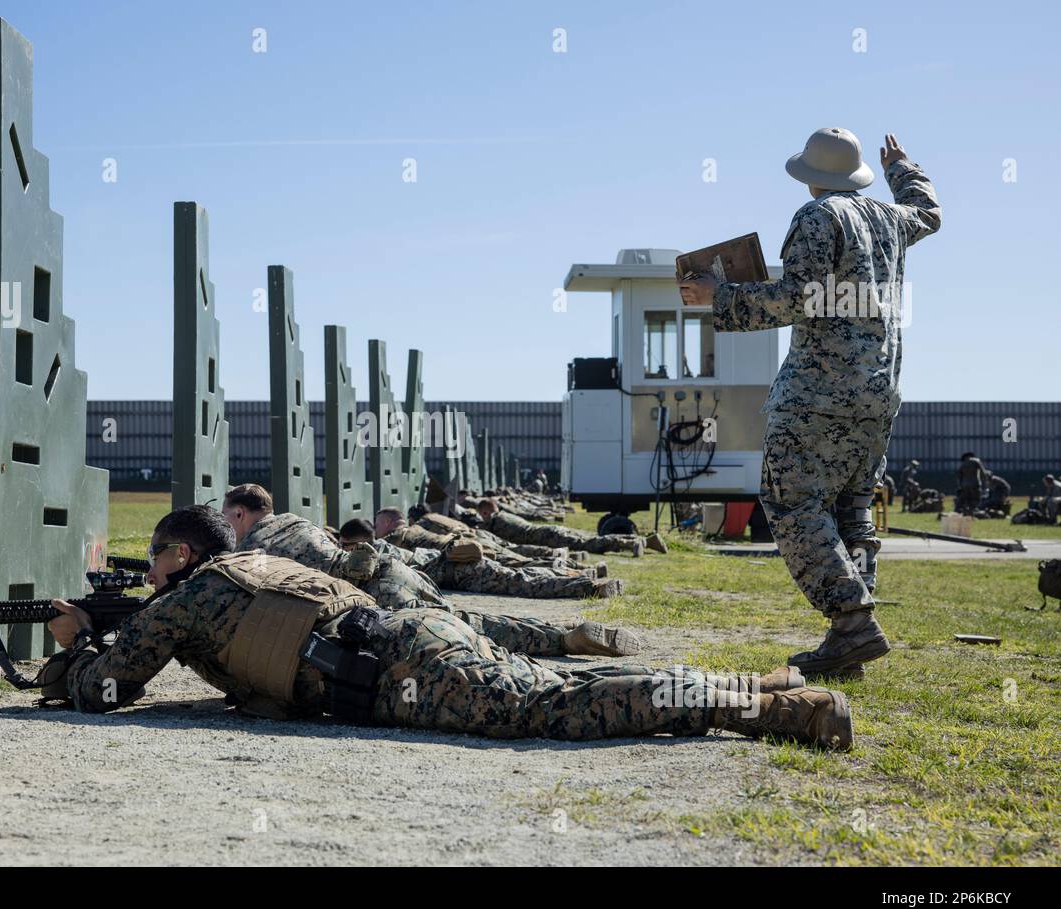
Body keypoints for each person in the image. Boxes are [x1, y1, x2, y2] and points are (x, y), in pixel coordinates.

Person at [48, 505, 853, 749]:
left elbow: (108, 691)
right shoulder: (248, 570)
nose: (147, 578)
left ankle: (771, 712)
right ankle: (753, 687)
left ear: (179, 554)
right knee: (559, 686)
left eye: (152, 564)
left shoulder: (187, 598)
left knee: (557, 713)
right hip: (411, 641)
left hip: (400, 675)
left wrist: (73, 645)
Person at [678, 129, 940, 677]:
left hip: (820, 394)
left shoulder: (818, 218)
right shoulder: (888, 220)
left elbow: (799, 296)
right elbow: (928, 212)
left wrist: (717, 297)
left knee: (792, 501)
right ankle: (849, 643)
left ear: (809, 176)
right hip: (878, 393)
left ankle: (851, 623)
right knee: (853, 512)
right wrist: (903, 169)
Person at [219, 484, 631, 656]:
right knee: (465, 618)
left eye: (228, 519)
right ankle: (560, 634)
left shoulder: (255, 545)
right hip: (395, 571)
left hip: (375, 593)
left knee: (464, 634)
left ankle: (561, 641)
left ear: (241, 513)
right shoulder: (296, 522)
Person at [374, 508, 623, 600]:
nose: (376, 530)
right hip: (469, 545)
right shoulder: (423, 524)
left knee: (523, 576)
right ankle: (582, 572)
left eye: (377, 525)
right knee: (522, 564)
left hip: (460, 560)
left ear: (387, 523)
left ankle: (589, 583)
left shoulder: (395, 539)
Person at [476, 497, 667, 556]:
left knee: (590, 543)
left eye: (481, 514)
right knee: (587, 540)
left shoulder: (494, 520)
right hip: (548, 533)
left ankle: (635, 543)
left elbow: (484, 530)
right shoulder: (503, 515)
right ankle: (646, 541)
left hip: (548, 537)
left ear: (485, 512)